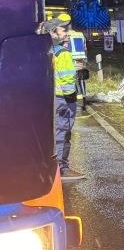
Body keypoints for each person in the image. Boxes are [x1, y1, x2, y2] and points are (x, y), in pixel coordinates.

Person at [43, 15, 85, 181]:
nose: (67, 33)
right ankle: (62, 169)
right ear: (53, 33)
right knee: (63, 132)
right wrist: (72, 97)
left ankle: (50, 167)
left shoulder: (47, 51)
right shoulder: (64, 53)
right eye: (63, 30)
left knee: (54, 133)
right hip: (64, 100)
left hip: (51, 98)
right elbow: (67, 80)